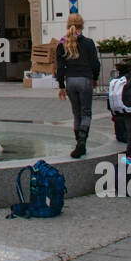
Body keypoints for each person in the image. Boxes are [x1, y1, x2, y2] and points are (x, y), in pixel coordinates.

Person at [55, 13, 100, 159]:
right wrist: (95, 77)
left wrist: (61, 85)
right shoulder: (88, 42)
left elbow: (60, 68)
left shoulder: (62, 44)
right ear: (83, 25)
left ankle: (79, 143)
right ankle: (82, 142)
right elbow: (95, 63)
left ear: (68, 25)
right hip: (85, 79)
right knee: (86, 112)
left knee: (76, 113)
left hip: (71, 81)